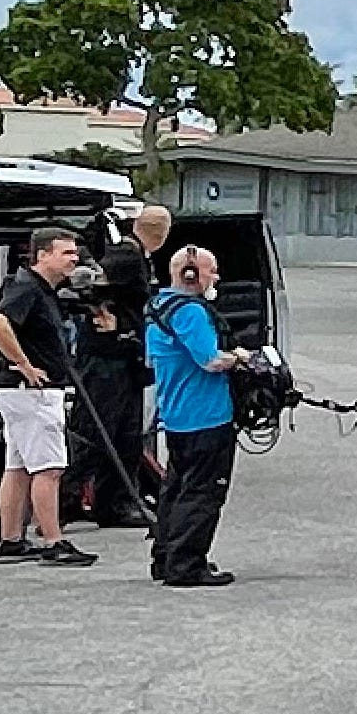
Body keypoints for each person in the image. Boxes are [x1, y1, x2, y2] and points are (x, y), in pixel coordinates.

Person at [0, 227, 98, 567]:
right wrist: (26, 365)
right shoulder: (26, 288)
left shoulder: (41, 290)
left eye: (75, 254)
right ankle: (53, 541)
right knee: (49, 469)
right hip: (33, 392)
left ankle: (12, 540)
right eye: (66, 253)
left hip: (20, 393)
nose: (74, 260)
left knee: (17, 467)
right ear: (42, 255)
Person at [143, 245, 249, 589]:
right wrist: (240, 356)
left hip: (175, 416)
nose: (216, 277)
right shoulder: (190, 312)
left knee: (174, 490)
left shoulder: (157, 306)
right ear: (191, 274)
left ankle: (166, 557)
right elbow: (210, 360)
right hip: (206, 415)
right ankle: (187, 565)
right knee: (202, 493)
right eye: (211, 270)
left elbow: (152, 360)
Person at [63, 204, 167, 529]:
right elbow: (87, 288)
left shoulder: (136, 255)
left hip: (127, 358)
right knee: (95, 432)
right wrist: (105, 316)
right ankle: (66, 503)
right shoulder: (124, 256)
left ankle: (115, 503)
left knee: (126, 436)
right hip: (107, 360)